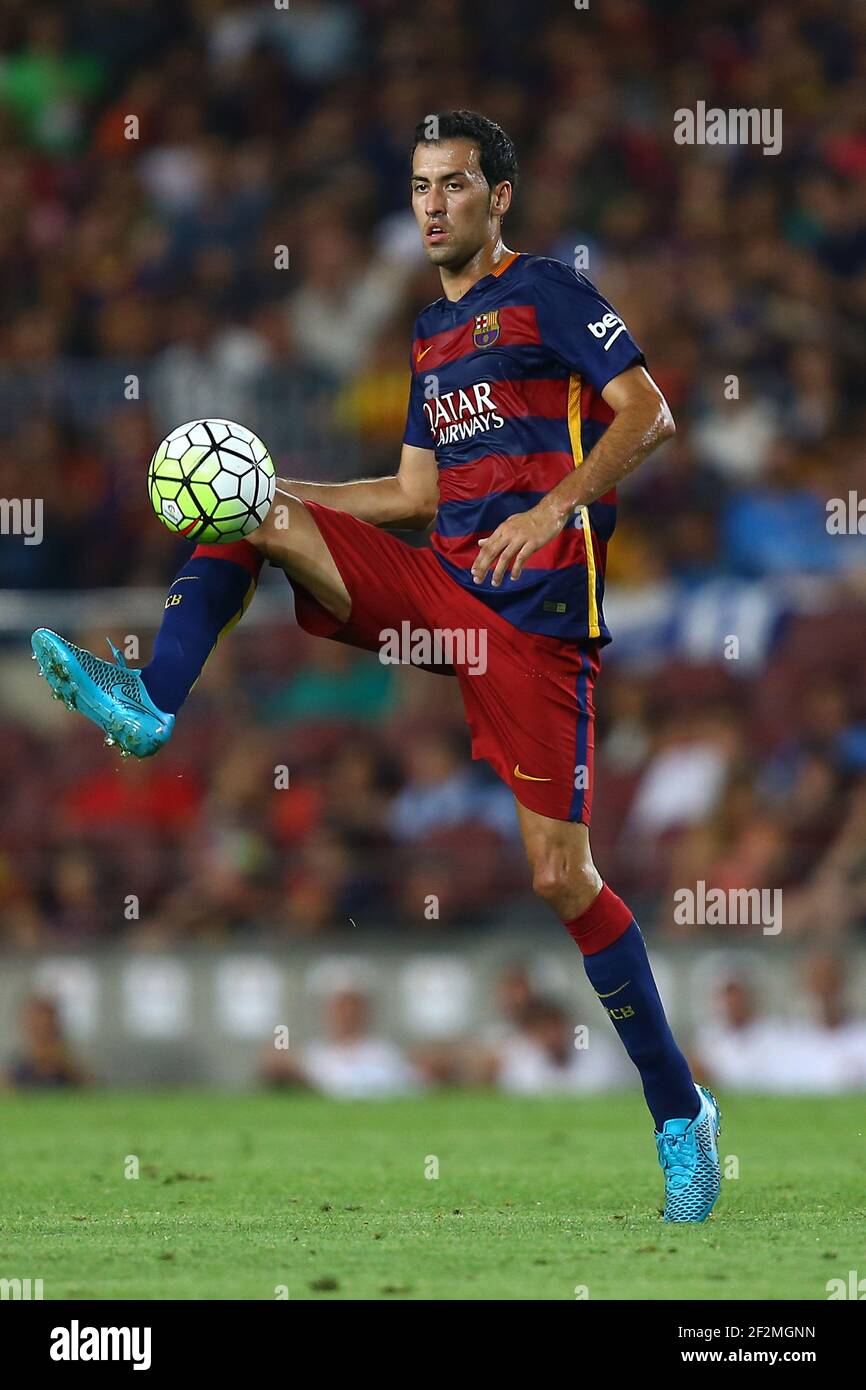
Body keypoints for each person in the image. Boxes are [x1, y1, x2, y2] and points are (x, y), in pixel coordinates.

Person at [31, 109, 720, 1220]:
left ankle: (680, 1113)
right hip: (445, 595)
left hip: (536, 626)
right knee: (245, 496)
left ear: (499, 196)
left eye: (453, 183)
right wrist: (278, 493)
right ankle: (153, 697)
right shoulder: (425, 334)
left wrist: (552, 511)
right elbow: (413, 496)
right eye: (418, 186)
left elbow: (649, 412)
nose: (433, 202)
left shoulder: (544, 291)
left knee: (560, 877)